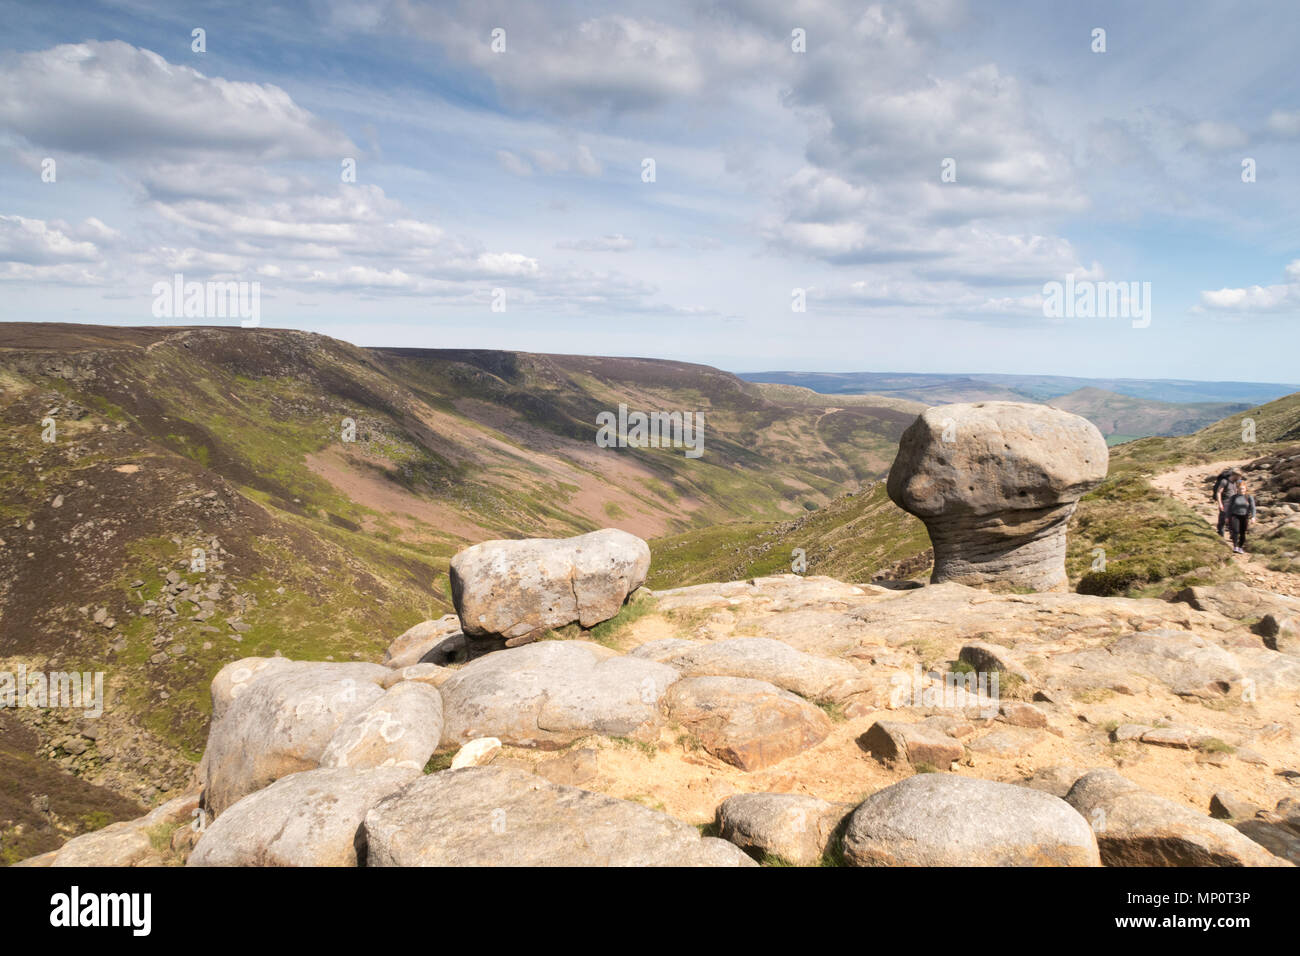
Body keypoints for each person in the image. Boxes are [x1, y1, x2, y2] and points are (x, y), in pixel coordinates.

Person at [1225, 478, 1256, 554]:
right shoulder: (1233, 497)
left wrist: (1253, 517)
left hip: (1245, 516)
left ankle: (1240, 547)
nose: (1241, 490)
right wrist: (1227, 517)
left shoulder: (1249, 497)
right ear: (1237, 489)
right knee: (1235, 531)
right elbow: (1229, 508)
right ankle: (1235, 546)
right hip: (1235, 516)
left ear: (1245, 488)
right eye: (1240, 489)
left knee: (1242, 532)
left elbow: (1253, 507)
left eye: (1243, 489)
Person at [1214, 468, 1244, 538]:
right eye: (1239, 477)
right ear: (1235, 475)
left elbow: (1236, 491)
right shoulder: (1224, 481)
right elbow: (1218, 492)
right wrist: (1220, 504)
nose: (1240, 478)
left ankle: (1232, 535)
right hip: (1225, 503)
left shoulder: (1235, 482)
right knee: (1222, 520)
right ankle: (1220, 534)